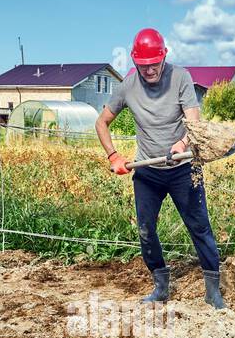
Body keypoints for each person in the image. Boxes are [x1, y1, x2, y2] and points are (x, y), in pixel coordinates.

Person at [95, 27, 225, 309]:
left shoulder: (180, 77)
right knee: (145, 230)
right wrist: (114, 156)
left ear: (164, 57)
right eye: (144, 65)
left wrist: (182, 143)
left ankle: (213, 292)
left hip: (183, 168)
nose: (150, 70)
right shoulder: (128, 86)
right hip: (148, 170)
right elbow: (101, 122)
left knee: (199, 226)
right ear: (135, 61)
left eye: (155, 63)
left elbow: (194, 122)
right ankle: (161, 286)